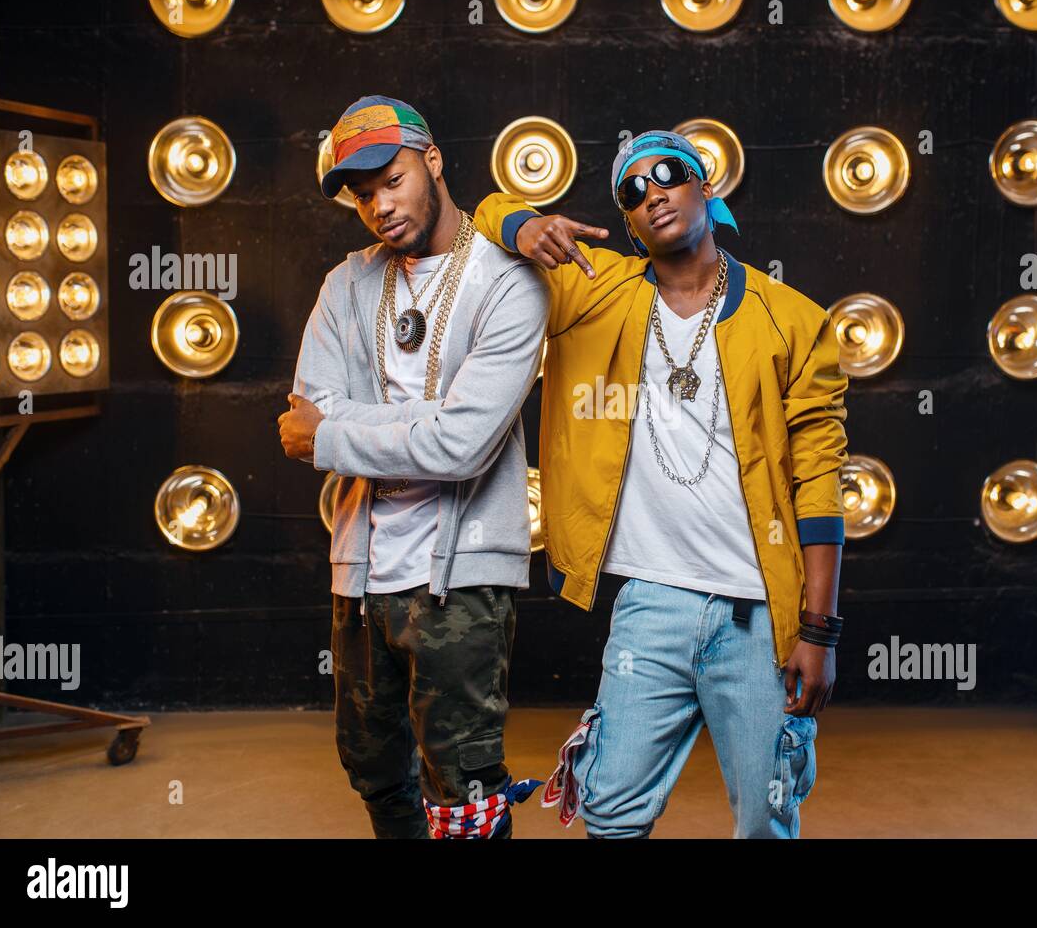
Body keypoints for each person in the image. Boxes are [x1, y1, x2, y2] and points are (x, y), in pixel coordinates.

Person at [471, 129, 849, 838]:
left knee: (766, 817)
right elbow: (484, 214)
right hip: (651, 601)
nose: (652, 195)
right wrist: (528, 227)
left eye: (668, 175)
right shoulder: (596, 289)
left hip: (761, 615)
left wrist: (820, 630)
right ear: (626, 222)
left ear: (706, 186)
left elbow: (819, 483)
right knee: (609, 810)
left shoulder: (793, 320)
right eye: (632, 192)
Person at [277, 95, 548, 839]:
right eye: (363, 195)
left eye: (391, 180)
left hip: (461, 578)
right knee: (369, 762)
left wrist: (342, 429)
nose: (379, 206)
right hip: (360, 570)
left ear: (432, 161)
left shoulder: (508, 281)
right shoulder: (347, 282)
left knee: (461, 776)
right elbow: (302, 424)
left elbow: (464, 445)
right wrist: (414, 425)